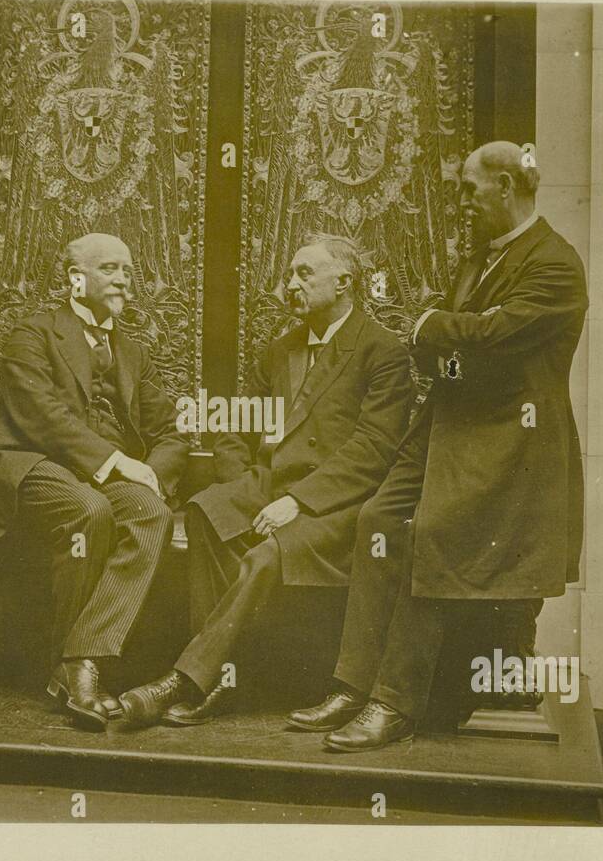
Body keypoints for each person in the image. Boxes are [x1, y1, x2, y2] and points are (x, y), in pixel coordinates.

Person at [289, 141, 589, 752]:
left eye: (469, 189)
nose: (462, 202)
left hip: (509, 444)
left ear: (506, 186)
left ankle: (394, 704)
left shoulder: (556, 262)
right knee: (376, 518)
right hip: (447, 426)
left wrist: (431, 326)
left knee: (427, 538)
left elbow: (496, 337)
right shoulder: (480, 257)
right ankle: (353, 683)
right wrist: (454, 349)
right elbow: (456, 359)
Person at [119, 233, 413, 727]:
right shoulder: (281, 349)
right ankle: (223, 674)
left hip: (336, 503)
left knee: (264, 555)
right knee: (207, 511)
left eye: (305, 273)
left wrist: (297, 500)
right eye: (290, 274)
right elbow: (237, 424)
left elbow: (373, 449)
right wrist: (247, 484)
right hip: (271, 486)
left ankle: (188, 680)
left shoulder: (381, 351)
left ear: (344, 282)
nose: (291, 284)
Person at [0, 233, 188, 731]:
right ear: (75, 278)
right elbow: (42, 417)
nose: (123, 280)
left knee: (151, 512)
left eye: (127, 270)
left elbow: (171, 429)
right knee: (90, 510)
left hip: (103, 475)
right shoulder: (31, 335)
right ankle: (76, 670)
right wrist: (118, 462)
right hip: (35, 465)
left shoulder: (134, 353)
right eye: (110, 269)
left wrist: (153, 475)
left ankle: (81, 659)